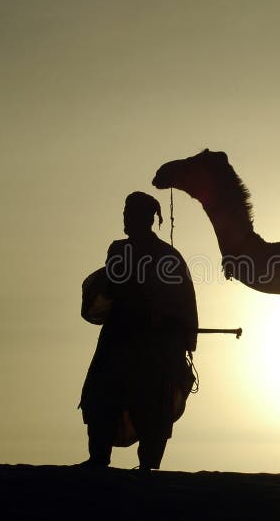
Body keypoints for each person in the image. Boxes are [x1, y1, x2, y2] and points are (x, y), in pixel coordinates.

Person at [79, 191, 198, 470]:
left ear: (145, 218)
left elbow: (183, 302)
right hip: (118, 340)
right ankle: (98, 460)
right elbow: (111, 286)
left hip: (154, 348)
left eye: (130, 214)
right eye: (125, 213)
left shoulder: (168, 258)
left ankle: (148, 467)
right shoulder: (119, 250)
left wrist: (171, 329)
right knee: (101, 398)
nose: (125, 219)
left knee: (153, 406)